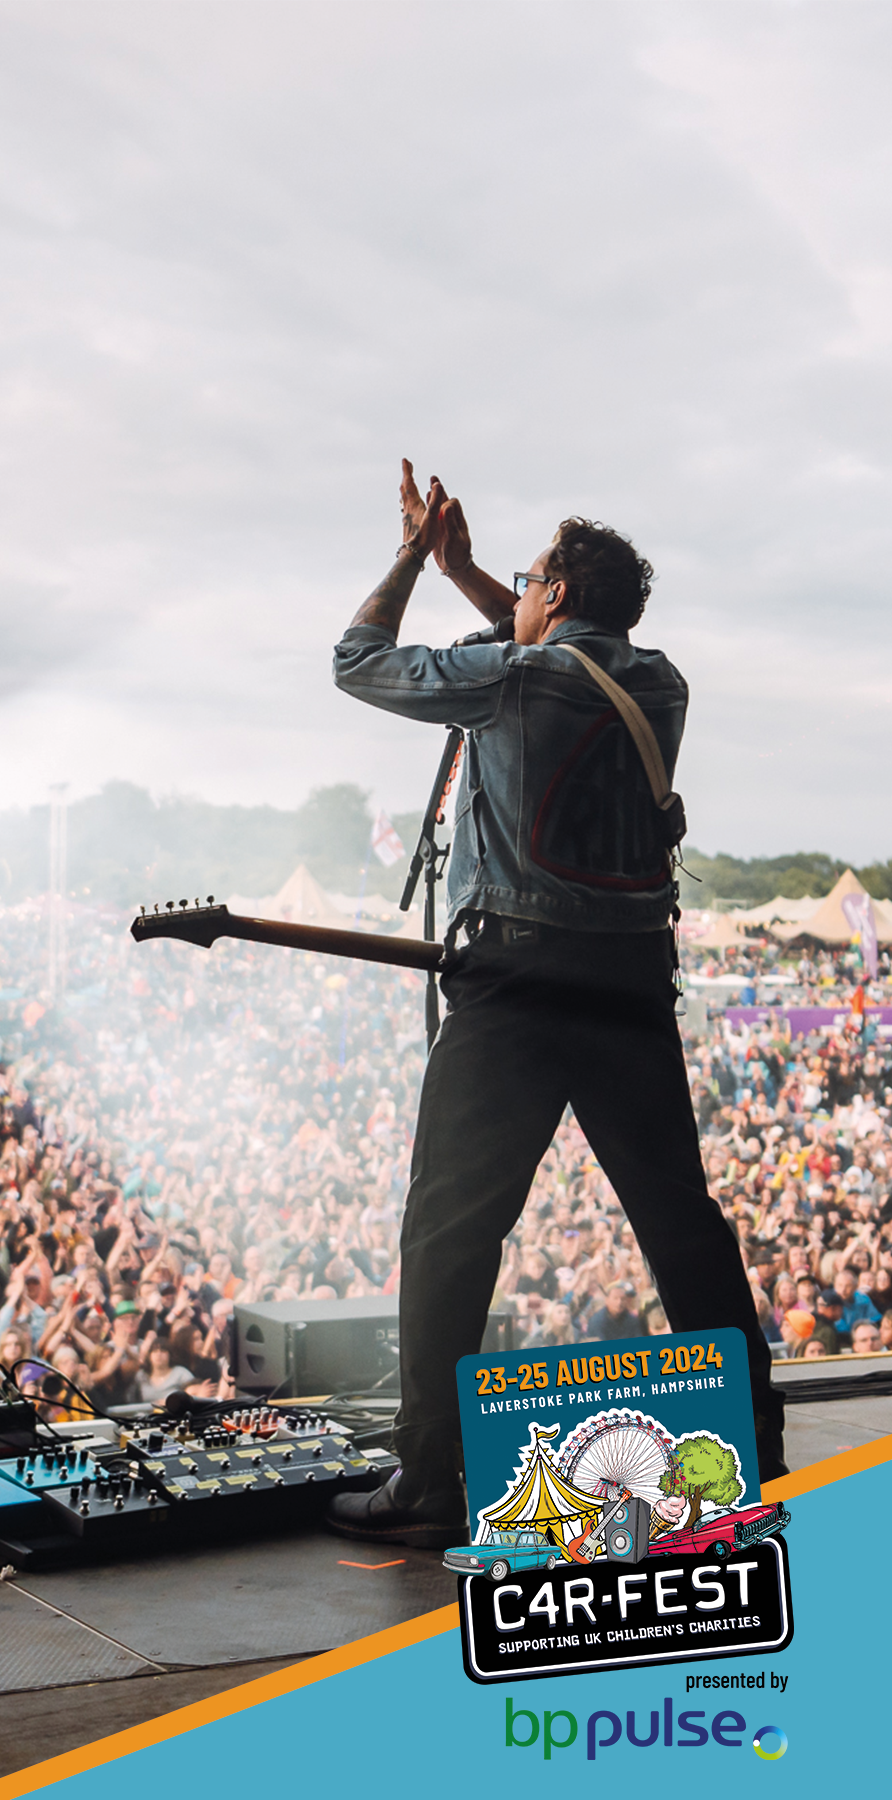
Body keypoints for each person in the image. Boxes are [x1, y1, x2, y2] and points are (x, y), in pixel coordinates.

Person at [326, 462, 785, 1548]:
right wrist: (481, 574)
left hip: (516, 988)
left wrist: (411, 560)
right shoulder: (661, 682)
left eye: (533, 579)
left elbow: (358, 662)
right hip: (629, 985)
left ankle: (431, 1477)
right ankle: (754, 1455)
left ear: (561, 597)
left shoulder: (517, 681)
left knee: (451, 1231)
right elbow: (561, 646)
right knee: (683, 1226)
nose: (518, 595)